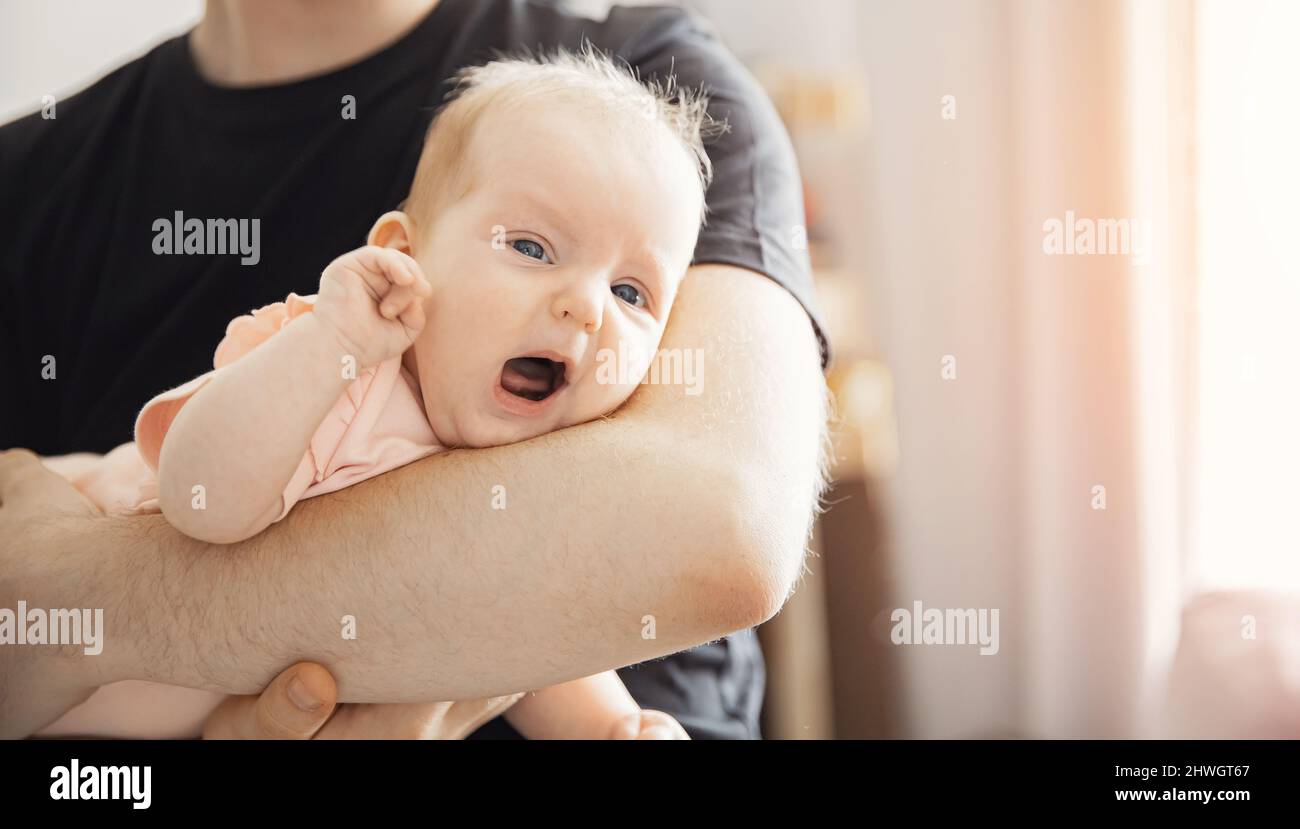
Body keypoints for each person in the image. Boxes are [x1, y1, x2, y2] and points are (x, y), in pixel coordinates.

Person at [0, 0, 829, 740]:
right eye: (531, 248)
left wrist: (618, 726)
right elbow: (200, 495)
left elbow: (708, 537)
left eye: (631, 292)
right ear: (400, 256)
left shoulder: (654, 84)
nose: (586, 307)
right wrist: (329, 345)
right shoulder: (341, 375)